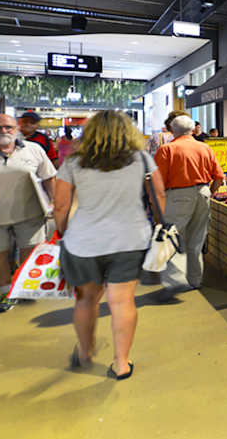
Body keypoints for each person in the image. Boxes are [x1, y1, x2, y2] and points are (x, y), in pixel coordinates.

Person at [53, 110, 163, 379]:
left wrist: (64, 232)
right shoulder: (142, 159)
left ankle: (85, 352)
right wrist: (158, 224)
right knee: (122, 301)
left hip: (83, 241)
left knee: (85, 300)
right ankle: (121, 363)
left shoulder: (74, 162)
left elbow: (60, 205)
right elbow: (158, 193)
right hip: (130, 239)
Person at [0, 114, 57, 313]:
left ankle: (21, 281)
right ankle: (7, 291)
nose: (3, 131)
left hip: (30, 213)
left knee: (31, 253)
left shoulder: (34, 149)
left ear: (16, 128)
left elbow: (49, 177)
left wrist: (54, 201)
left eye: (8, 127)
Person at [153, 115, 224, 298]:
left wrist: (156, 207)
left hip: (177, 196)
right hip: (203, 193)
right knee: (197, 239)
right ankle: (195, 280)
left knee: (174, 239)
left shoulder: (166, 150)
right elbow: (219, 177)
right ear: (192, 130)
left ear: (172, 131)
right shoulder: (205, 148)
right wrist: (210, 193)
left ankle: (176, 282)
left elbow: (158, 182)